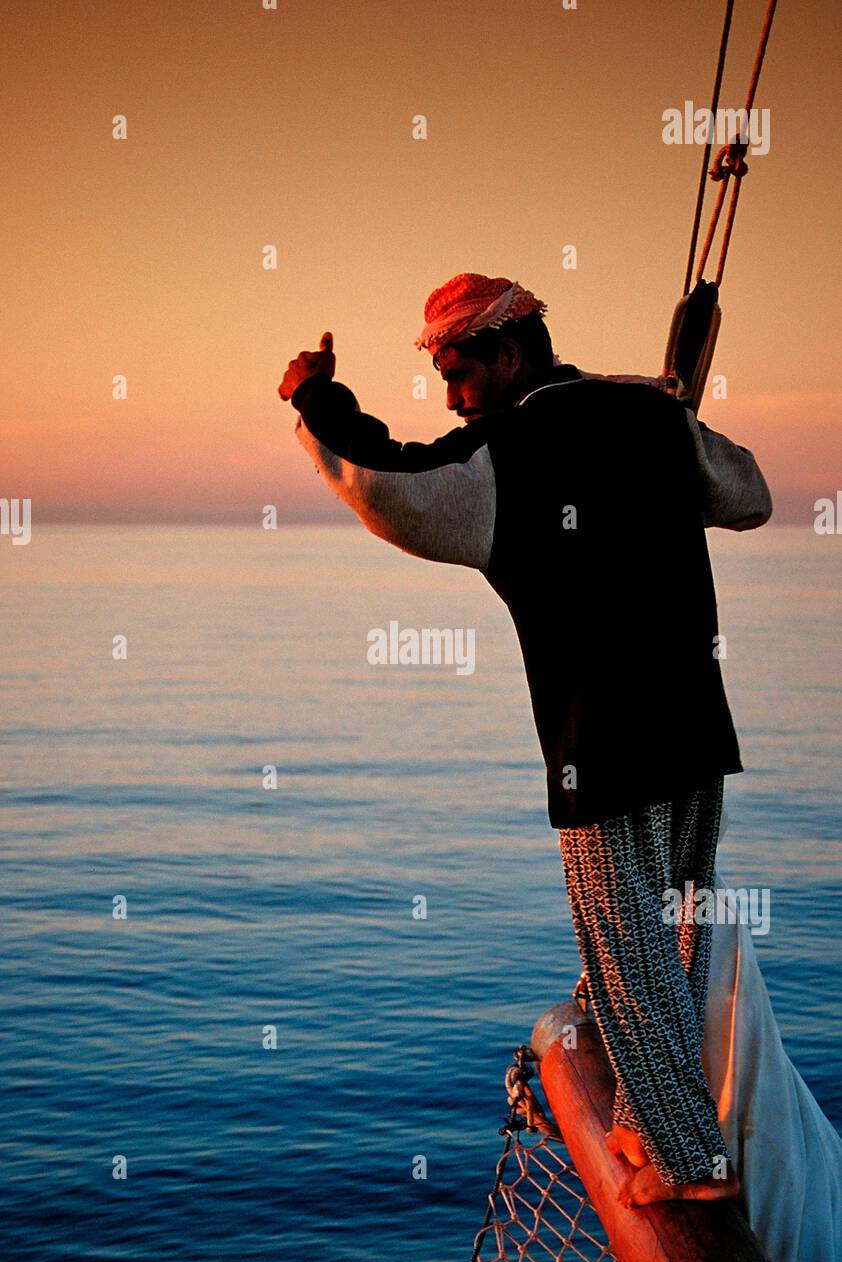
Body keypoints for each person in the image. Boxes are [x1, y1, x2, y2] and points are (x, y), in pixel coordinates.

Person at [278, 272, 773, 1207]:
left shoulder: (504, 455)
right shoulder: (651, 418)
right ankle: (646, 1115)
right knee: (674, 937)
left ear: (511, 354)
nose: (452, 396)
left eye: (460, 372)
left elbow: (388, 477)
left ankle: (687, 1165)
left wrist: (315, 394)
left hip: (604, 745)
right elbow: (750, 497)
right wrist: (665, 424)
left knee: (624, 951)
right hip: (696, 730)